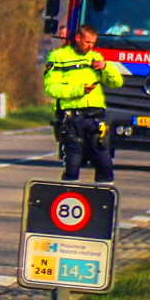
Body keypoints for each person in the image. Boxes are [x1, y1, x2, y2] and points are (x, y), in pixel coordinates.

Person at [45, 24, 124, 183]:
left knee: (103, 158)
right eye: (87, 42)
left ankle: (104, 190)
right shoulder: (58, 57)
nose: (90, 46)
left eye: (93, 43)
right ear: (78, 38)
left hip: (95, 115)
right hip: (71, 115)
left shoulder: (95, 57)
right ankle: (69, 189)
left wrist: (106, 66)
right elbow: (51, 88)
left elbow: (117, 83)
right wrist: (80, 90)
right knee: (73, 158)